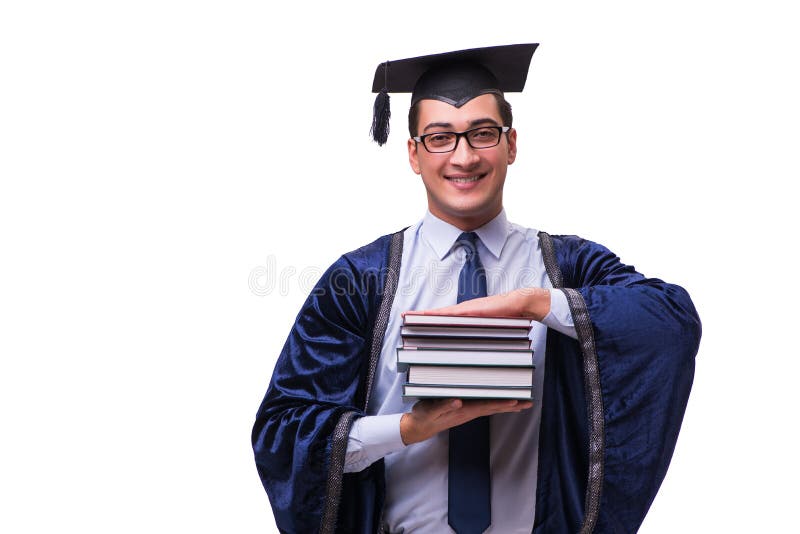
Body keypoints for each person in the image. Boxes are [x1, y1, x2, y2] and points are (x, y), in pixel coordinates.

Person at [252, 44, 701, 534]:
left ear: (511, 145)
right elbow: (283, 431)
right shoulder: (360, 279)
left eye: (482, 134)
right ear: (413, 154)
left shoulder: (567, 265)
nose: (463, 157)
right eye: (440, 138)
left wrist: (536, 302)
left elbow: (670, 319)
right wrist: (409, 428)